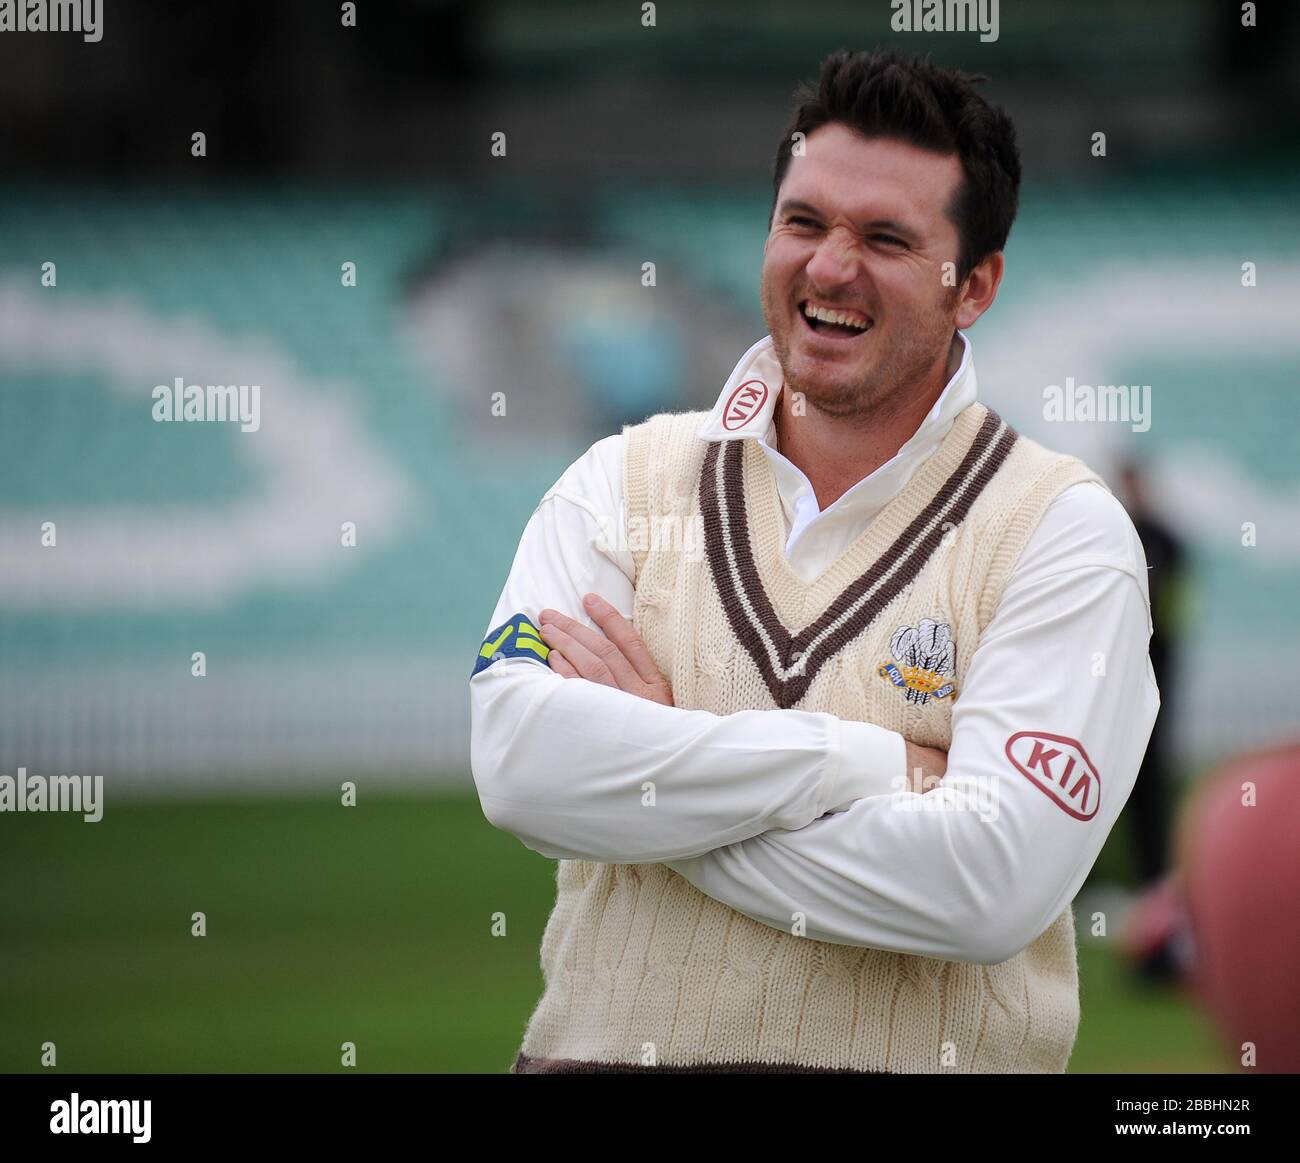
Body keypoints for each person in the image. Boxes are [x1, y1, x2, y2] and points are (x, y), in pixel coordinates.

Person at [469, 48, 1159, 1074]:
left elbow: (986, 887)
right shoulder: (618, 480)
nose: (829, 268)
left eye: (885, 238)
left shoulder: (1059, 531)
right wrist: (863, 762)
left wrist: (653, 783)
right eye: (803, 223)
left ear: (971, 285)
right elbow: (523, 769)